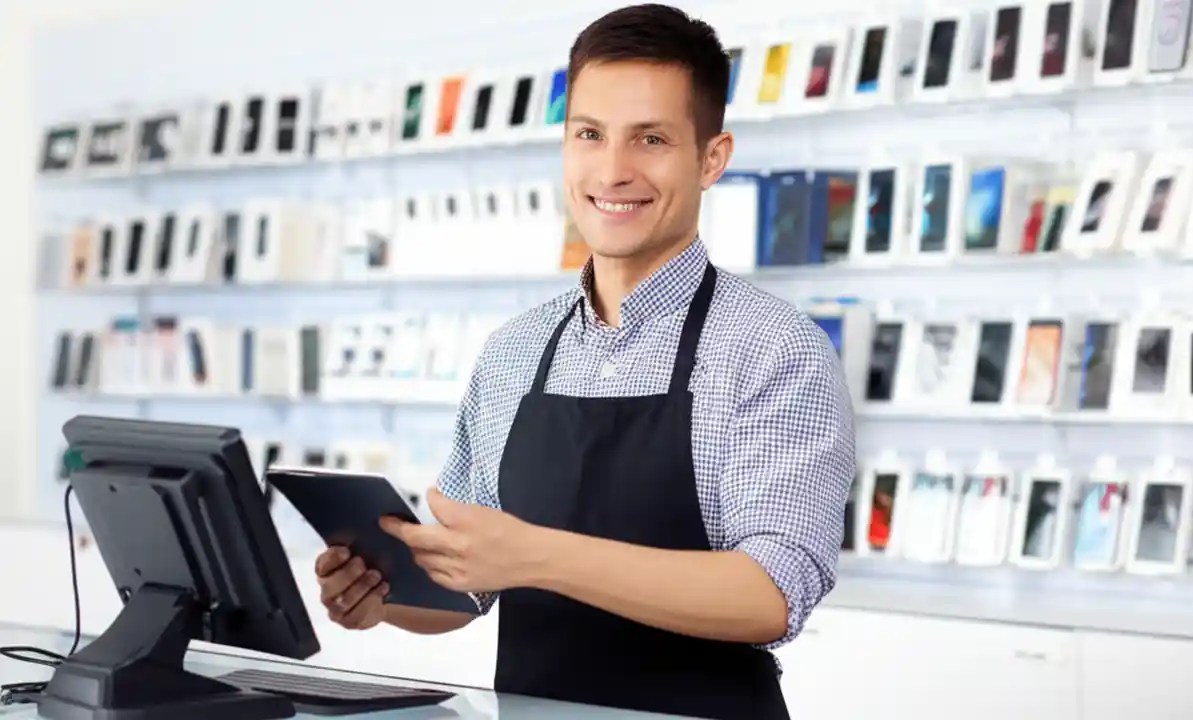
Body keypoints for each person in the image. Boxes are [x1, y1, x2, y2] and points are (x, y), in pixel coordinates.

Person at [313, 4, 856, 718]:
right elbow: (468, 585)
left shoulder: (774, 349)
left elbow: (773, 594)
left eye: (651, 139)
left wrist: (537, 556)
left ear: (711, 158)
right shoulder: (513, 351)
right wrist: (382, 597)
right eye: (589, 135)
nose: (613, 170)